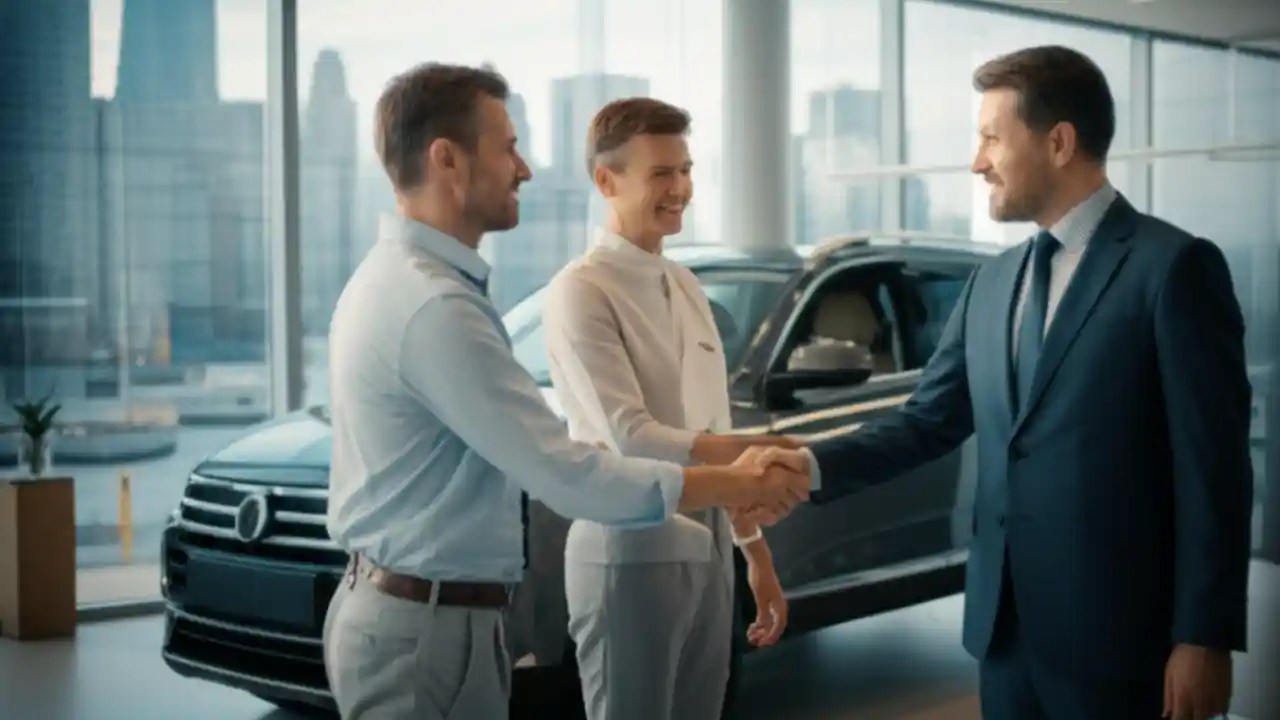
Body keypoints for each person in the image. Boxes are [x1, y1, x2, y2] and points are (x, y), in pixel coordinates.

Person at [772, 45, 1253, 720]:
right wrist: (807, 466)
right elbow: (925, 422)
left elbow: (1215, 470)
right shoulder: (991, 283)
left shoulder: (1173, 269)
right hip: (1003, 633)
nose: (977, 161)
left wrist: (1203, 636)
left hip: (1124, 639)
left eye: (991, 138)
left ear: (1058, 142)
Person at [321, 63, 810, 720]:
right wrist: (739, 477)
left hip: (443, 616)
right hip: (438, 622)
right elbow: (575, 466)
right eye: (508, 147)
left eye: (686, 169)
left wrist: (747, 531)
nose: (524, 168)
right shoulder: (437, 304)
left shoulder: (424, 287)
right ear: (448, 160)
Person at [543, 97, 799, 720]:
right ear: (607, 181)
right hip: (628, 552)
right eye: (662, 173)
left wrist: (755, 555)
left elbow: (711, 426)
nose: (681, 188)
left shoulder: (685, 284)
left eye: (685, 170)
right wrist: (755, 455)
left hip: (709, 550)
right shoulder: (581, 290)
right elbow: (632, 438)